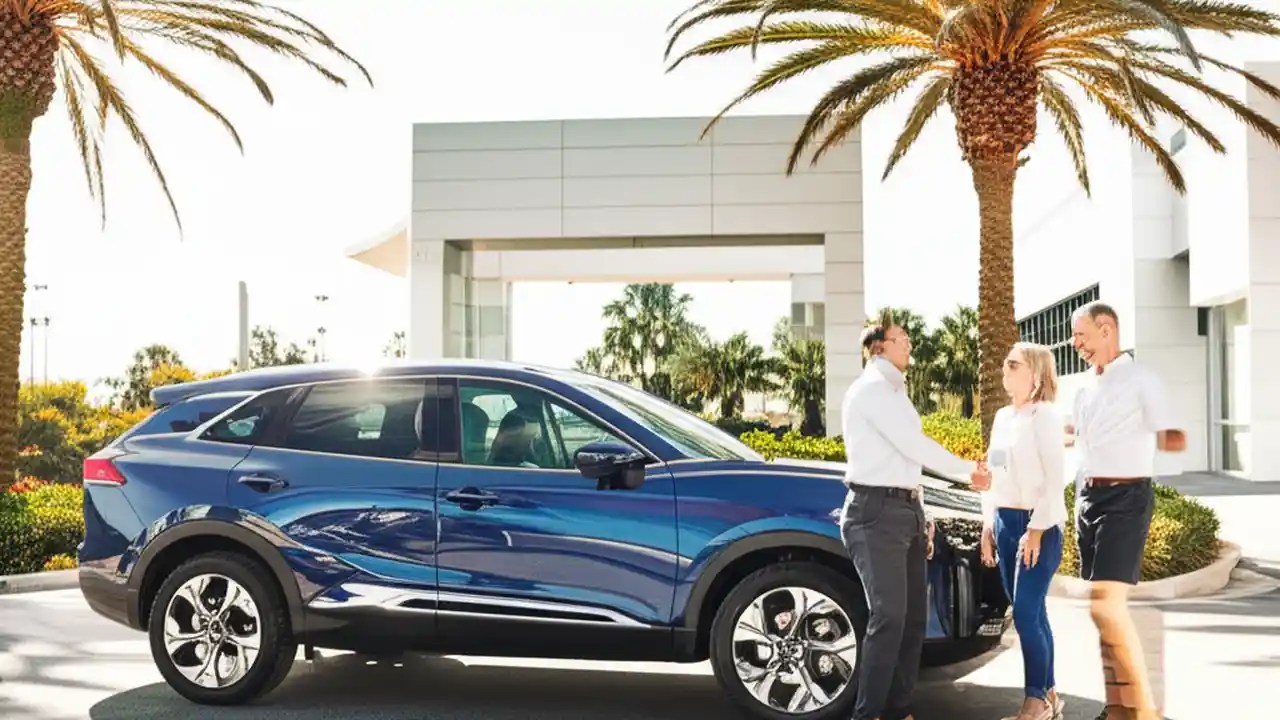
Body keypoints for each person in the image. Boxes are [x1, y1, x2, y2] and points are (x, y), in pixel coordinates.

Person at [840, 316, 991, 720]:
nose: (909, 344)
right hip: (875, 512)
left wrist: (920, 514)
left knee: (912, 620)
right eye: (900, 338)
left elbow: (905, 460)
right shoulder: (871, 390)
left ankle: (898, 709)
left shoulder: (895, 393)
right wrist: (965, 470)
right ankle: (868, 713)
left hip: (903, 509)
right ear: (878, 347)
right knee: (888, 617)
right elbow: (912, 445)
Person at [1069, 301, 1184, 720]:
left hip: (1126, 498)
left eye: (1081, 334)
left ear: (1107, 330)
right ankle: (1117, 708)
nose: (1075, 342)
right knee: (1100, 612)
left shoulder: (1141, 380)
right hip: (1089, 500)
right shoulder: (1084, 386)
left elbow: (1168, 433)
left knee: (1107, 605)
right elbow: (1081, 443)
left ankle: (1144, 709)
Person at [979, 342, 1069, 720]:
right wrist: (988, 523)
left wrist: (1035, 529)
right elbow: (992, 473)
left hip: (1039, 525)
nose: (1004, 368)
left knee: (1028, 613)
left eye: (1012, 364)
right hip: (1004, 522)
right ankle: (1049, 694)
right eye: (1005, 363)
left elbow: (1055, 479)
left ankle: (1035, 702)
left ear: (1034, 374)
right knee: (1032, 612)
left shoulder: (1044, 417)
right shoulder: (1002, 418)